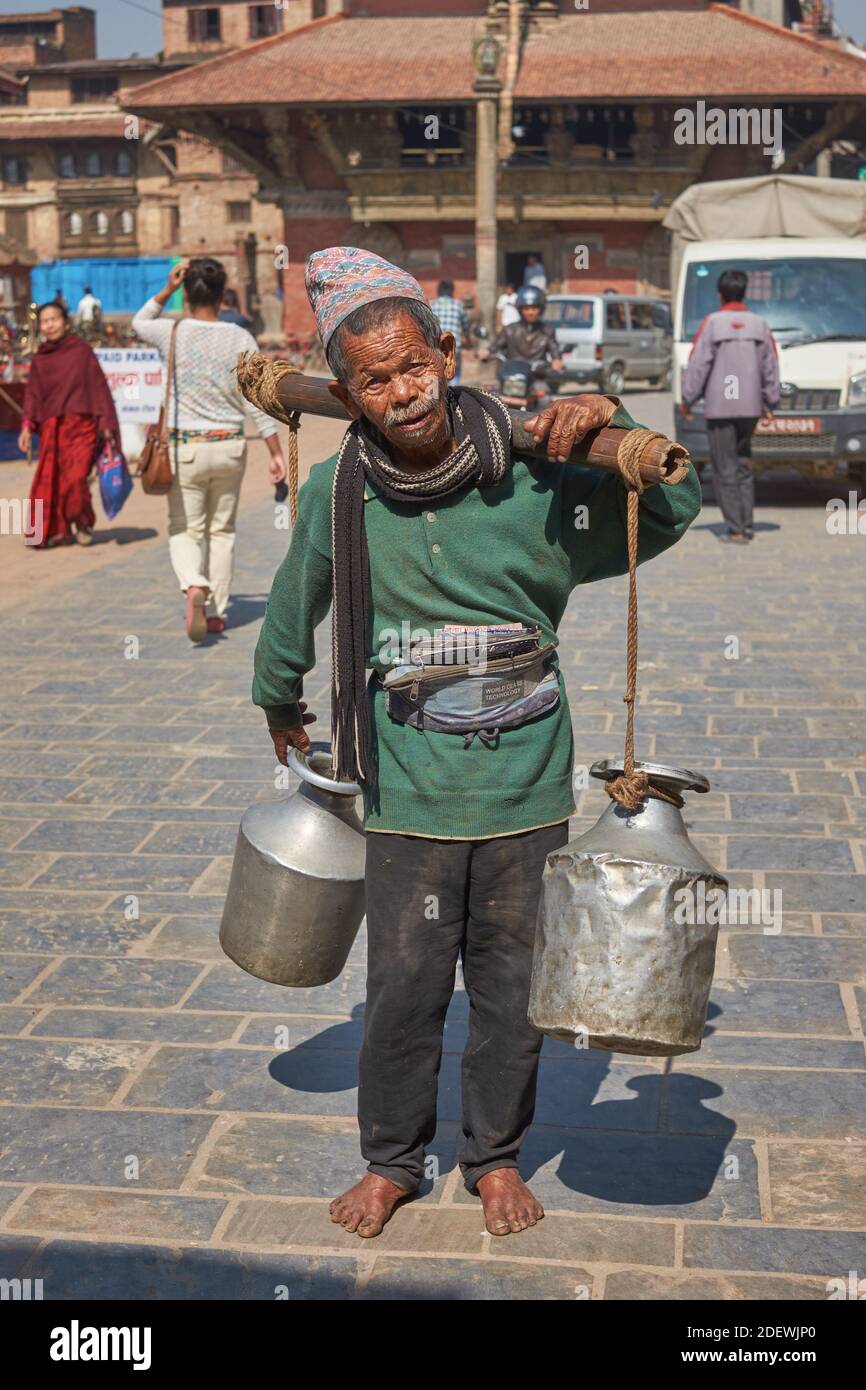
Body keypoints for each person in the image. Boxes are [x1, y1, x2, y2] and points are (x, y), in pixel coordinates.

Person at [253, 246, 701, 1240]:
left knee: (510, 990)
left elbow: (668, 504)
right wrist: (276, 694)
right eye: (372, 380)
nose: (401, 393)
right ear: (347, 390)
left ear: (445, 352)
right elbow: (297, 596)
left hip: (526, 787)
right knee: (403, 989)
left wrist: (614, 424)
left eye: (413, 365)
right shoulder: (342, 490)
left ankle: (492, 1156)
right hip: (406, 788)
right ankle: (390, 1160)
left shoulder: (538, 482)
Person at [132, 257, 285, 641]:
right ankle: (216, 612)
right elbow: (256, 399)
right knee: (222, 531)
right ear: (222, 296)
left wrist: (167, 287)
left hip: (186, 449)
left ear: (187, 293)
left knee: (185, 527)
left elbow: (138, 322)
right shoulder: (240, 338)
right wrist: (275, 450)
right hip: (230, 447)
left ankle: (194, 583)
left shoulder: (172, 331)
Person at [681, 268, 779, 544]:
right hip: (750, 408)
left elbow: (698, 364)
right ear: (744, 292)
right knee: (743, 465)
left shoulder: (711, 323)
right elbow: (770, 365)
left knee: (724, 467)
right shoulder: (760, 325)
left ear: (720, 294)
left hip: (720, 408)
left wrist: (687, 399)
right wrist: (771, 401)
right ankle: (747, 524)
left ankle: (736, 529)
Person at [19, 301, 119, 548]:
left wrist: (106, 423)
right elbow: (33, 394)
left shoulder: (81, 351)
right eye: (45, 321)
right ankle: (52, 530)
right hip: (52, 427)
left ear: (65, 321)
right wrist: (26, 426)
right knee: (49, 479)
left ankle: (82, 521)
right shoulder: (41, 358)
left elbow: (98, 387)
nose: (50, 325)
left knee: (75, 479)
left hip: (82, 426)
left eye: (54, 319)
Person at [478, 285, 564, 373]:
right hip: (513, 372)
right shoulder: (509, 330)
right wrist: (487, 351)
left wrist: (557, 360)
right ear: (520, 310)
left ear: (541, 309)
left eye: (534, 308)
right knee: (495, 386)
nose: (530, 312)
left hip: (538, 374)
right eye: (526, 308)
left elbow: (554, 349)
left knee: (543, 386)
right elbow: (496, 345)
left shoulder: (547, 330)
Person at [427, 280, 471, 385]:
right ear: (452, 291)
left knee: (434, 373)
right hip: (453, 347)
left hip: (435, 345)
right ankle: (452, 396)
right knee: (454, 374)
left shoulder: (431, 304)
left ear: (438, 291)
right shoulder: (459, 305)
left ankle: (435, 396)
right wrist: (469, 341)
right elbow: (466, 327)